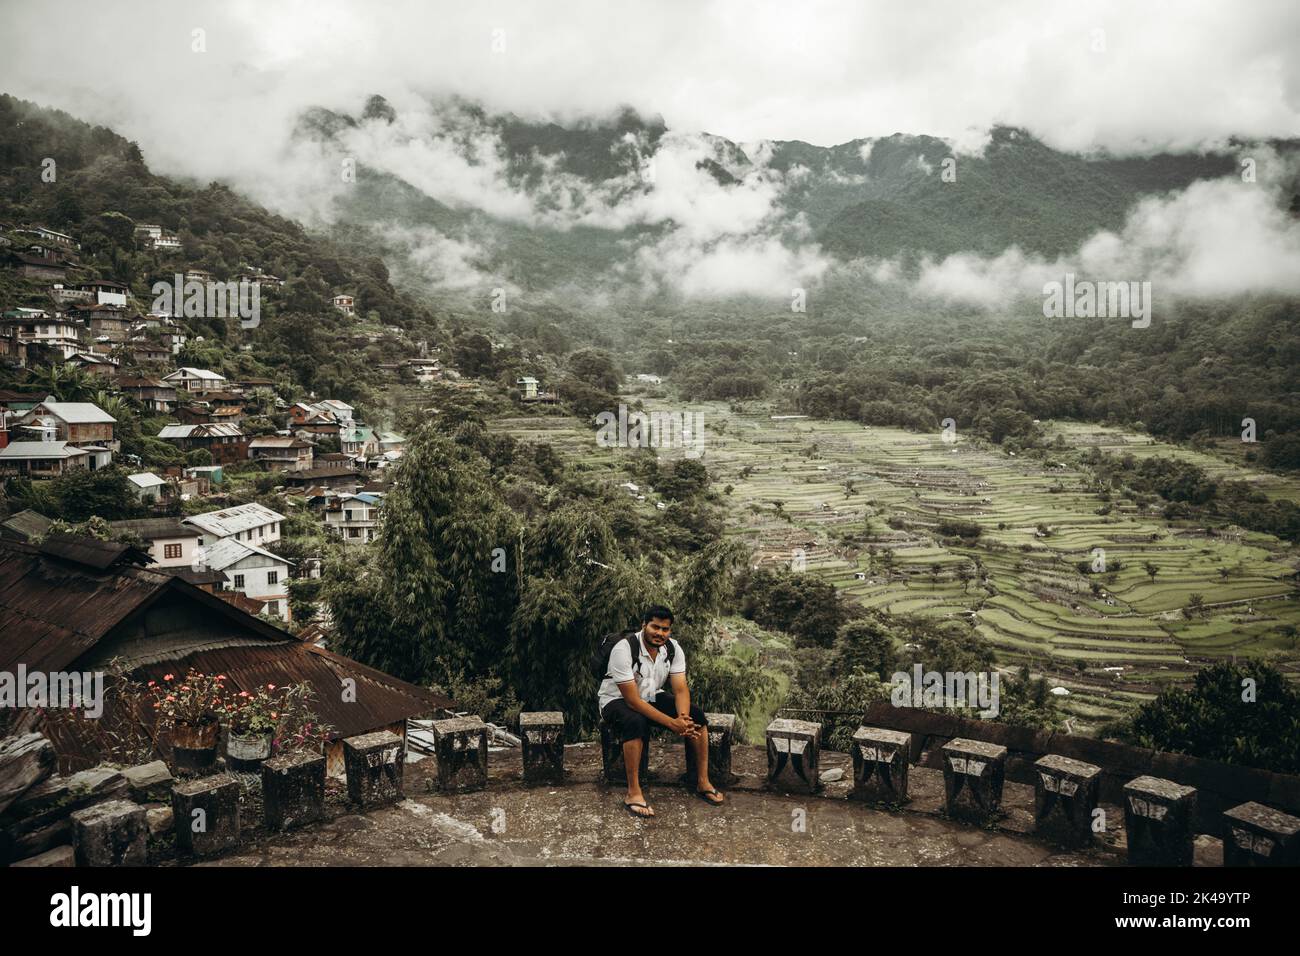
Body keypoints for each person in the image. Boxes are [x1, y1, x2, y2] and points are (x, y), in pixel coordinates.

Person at [597, 604, 724, 818]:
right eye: (655, 627)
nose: (660, 633)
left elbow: (681, 688)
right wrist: (671, 723)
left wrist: (682, 719)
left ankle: (702, 781)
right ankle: (633, 792)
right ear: (644, 625)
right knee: (635, 722)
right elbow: (632, 701)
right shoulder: (624, 649)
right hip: (616, 700)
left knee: (697, 717)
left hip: (650, 693)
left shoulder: (672, 649)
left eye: (665, 629)